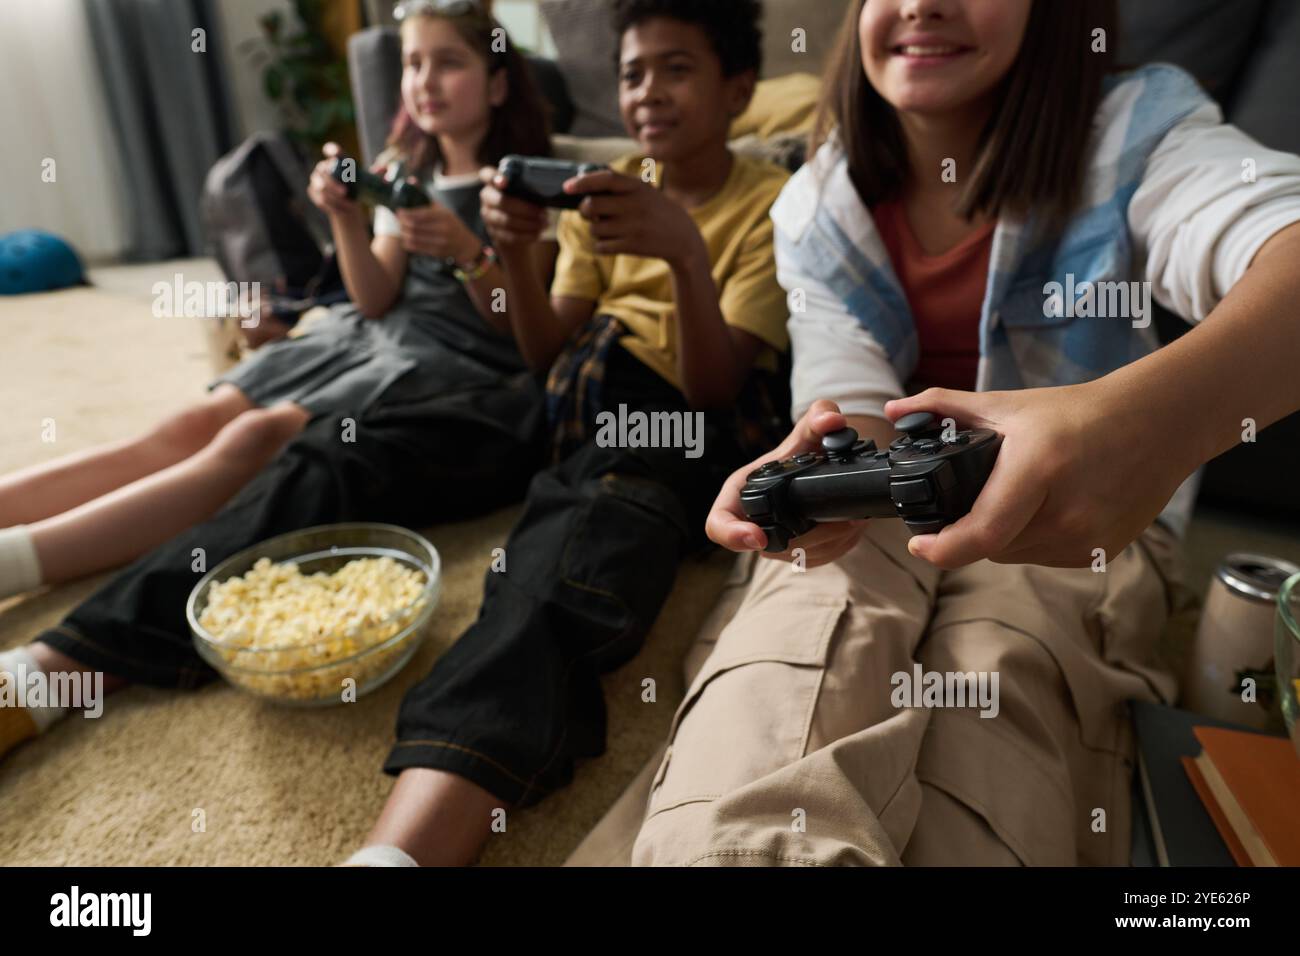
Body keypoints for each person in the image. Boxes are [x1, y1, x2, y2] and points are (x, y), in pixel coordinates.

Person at [617, 0, 1300, 866]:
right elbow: (850, 404)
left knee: (999, 671)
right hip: (889, 500)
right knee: (806, 618)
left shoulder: (1138, 130)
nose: (922, 3)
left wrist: (1146, 425)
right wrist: (827, 478)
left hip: (1083, 527)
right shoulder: (815, 205)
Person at [0, 0, 557, 763]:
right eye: (413, 62)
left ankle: (22, 561)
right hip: (371, 334)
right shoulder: (405, 171)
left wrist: (469, 251)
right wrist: (345, 221)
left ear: (497, 84)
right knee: (189, 425)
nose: (425, 80)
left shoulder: (518, 188)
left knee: (252, 436)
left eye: (449, 62)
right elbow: (372, 298)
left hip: (448, 363)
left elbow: (519, 331)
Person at [348, 0, 793, 867]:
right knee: (358, 444)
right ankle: (55, 663)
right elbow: (546, 343)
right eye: (631, 74)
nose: (648, 92)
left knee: (565, 559)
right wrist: (513, 254)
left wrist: (684, 255)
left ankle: (402, 848)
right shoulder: (612, 181)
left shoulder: (774, 204)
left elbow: (715, 388)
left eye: (676, 68)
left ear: (738, 91)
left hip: (673, 415)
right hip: (570, 386)